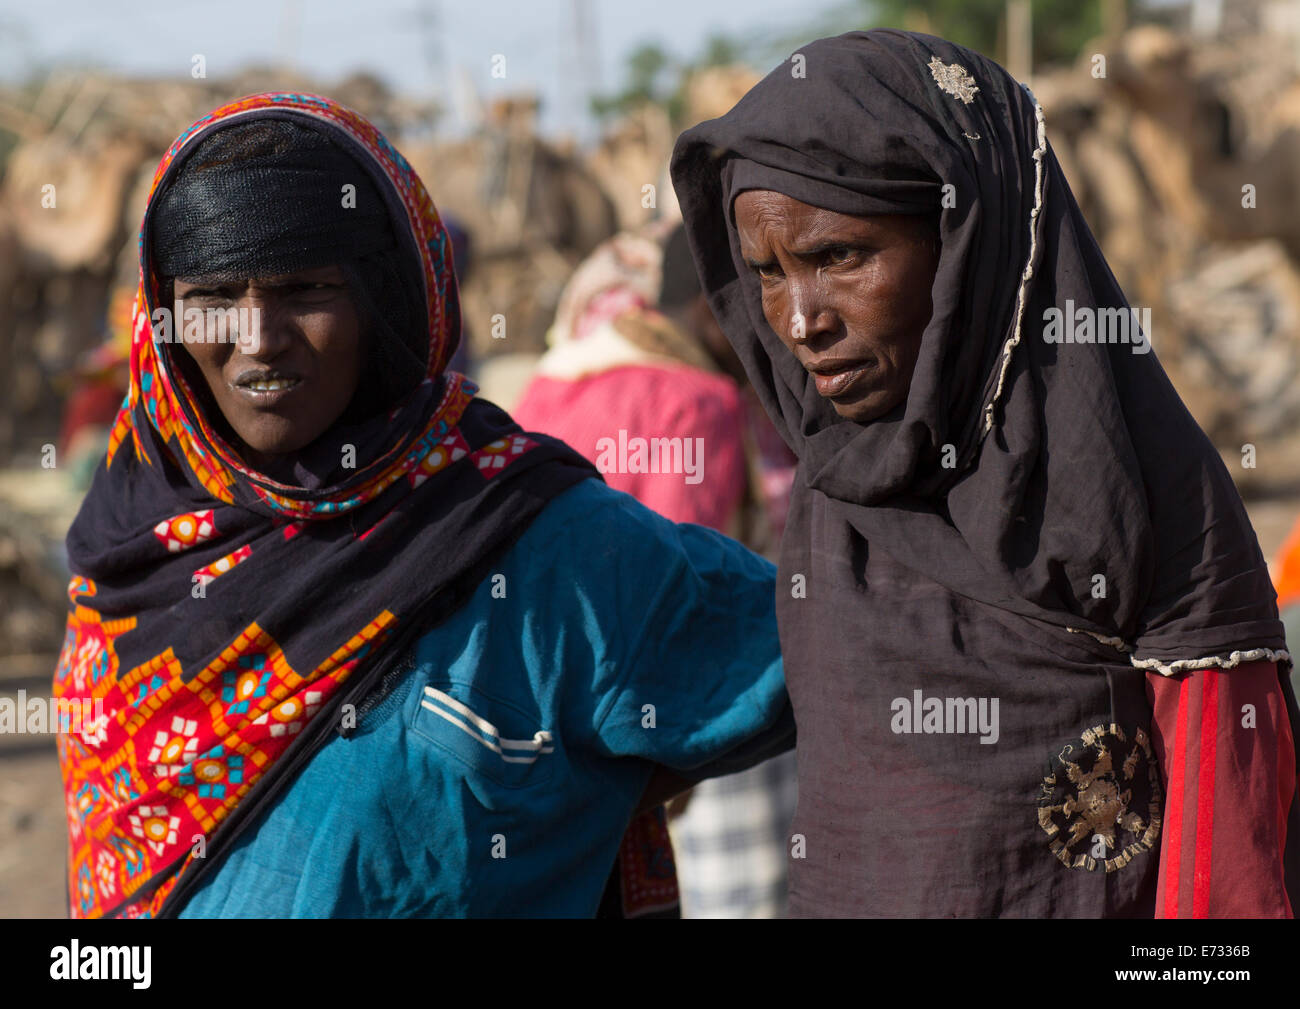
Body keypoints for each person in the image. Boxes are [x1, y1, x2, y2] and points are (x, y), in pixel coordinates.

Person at [51, 92, 792, 919]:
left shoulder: (527, 532)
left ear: (387, 299)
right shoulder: (130, 548)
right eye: (213, 294)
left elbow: (818, 647)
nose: (257, 339)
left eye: (305, 287)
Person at [671, 29, 1299, 917]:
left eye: (838, 256)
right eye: (767, 274)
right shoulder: (833, 485)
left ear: (969, 241)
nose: (800, 320)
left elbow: (1224, 870)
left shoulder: (1143, 499)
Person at [512, 224, 800, 917]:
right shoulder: (698, 400)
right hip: (674, 719)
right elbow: (686, 595)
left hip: (547, 713)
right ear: (713, 313)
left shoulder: (559, 376)